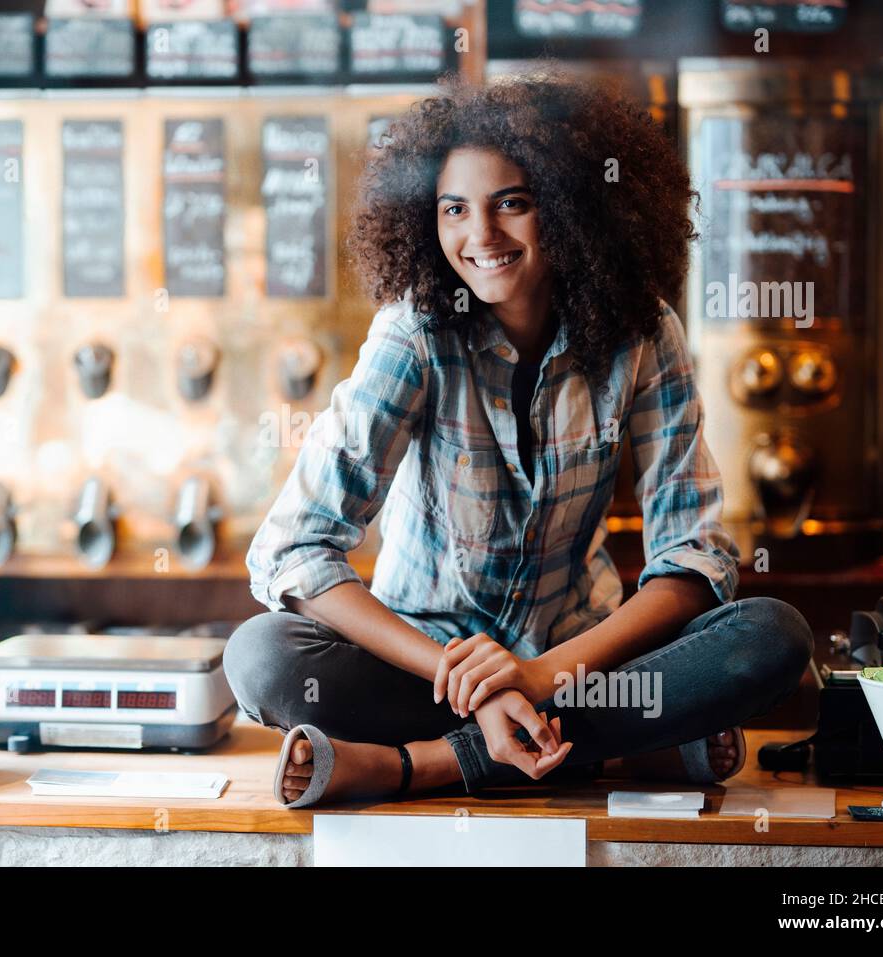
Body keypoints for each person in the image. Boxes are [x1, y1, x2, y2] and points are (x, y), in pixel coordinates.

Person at [224, 73, 814, 808]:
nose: (482, 236)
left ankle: (424, 765)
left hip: (577, 666)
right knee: (262, 657)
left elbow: (692, 558)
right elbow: (292, 547)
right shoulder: (415, 332)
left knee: (770, 636)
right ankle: (617, 751)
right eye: (454, 209)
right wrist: (463, 675)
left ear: (569, 208)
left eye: (512, 202)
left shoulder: (643, 332)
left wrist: (541, 677)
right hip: (425, 674)